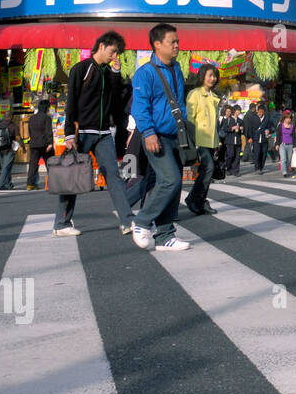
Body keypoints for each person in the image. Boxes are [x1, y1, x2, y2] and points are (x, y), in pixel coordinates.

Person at [54, 32, 138, 238]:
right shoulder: (81, 69)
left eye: (117, 52)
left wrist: (116, 74)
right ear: (101, 46)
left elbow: (116, 100)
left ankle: (127, 221)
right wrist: (68, 135)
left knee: (114, 176)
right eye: (113, 51)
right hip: (81, 132)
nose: (114, 56)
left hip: (103, 134)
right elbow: (71, 103)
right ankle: (61, 223)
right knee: (72, 177)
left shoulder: (108, 72)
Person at [128, 23, 191, 252]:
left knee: (174, 185)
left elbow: (178, 101)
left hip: (176, 135)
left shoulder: (176, 69)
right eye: (172, 42)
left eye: (177, 41)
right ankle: (142, 221)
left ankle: (165, 236)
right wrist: (148, 132)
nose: (177, 45)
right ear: (157, 44)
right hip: (156, 136)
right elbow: (140, 107)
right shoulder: (144, 73)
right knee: (170, 180)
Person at [184, 64, 222, 214]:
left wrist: (218, 141)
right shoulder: (195, 94)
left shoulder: (214, 97)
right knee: (208, 168)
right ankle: (194, 199)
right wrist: (192, 141)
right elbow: (190, 119)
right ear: (202, 76)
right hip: (199, 140)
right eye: (210, 75)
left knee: (207, 171)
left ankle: (199, 201)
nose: (213, 78)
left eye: (214, 76)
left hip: (211, 141)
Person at [24, 99, 55, 191]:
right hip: (44, 144)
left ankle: (30, 184)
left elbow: (30, 131)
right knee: (50, 164)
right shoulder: (47, 118)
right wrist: (50, 143)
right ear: (46, 107)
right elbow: (48, 131)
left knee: (33, 165)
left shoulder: (32, 118)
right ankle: (53, 183)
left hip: (34, 144)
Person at [0, 110, 19, 191]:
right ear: (11, 117)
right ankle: (0, 184)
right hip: (9, 149)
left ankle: (8, 184)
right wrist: (23, 147)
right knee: (6, 168)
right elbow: (18, 137)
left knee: (6, 166)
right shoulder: (13, 126)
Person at [243, 103, 272, 174]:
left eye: (262, 112)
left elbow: (271, 127)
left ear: (264, 112)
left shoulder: (267, 118)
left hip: (264, 138)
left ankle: (261, 167)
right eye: (259, 112)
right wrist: (249, 137)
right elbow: (250, 128)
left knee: (264, 153)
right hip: (256, 139)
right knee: (257, 153)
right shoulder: (253, 118)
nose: (261, 113)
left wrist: (269, 130)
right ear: (257, 111)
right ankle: (257, 168)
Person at [222, 106, 243, 177]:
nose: (238, 112)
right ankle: (228, 168)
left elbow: (244, 129)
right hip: (230, 140)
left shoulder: (240, 120)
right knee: (230, 155)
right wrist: (232, 128)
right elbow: (225, 128)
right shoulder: (228, 119)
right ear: (234, 111)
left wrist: (241, 128)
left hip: (238, 140)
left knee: (237, 156)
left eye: (239, 111)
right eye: (237, 110)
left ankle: (236, 171)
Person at [276, 110, 296, 176]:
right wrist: (277, 144)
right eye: (287, 118)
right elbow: (278, 136)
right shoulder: (280, 126)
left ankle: (287, 169)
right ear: (284, 118)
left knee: (288, 160)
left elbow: (294, 137)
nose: (288, 120)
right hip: (282, 145)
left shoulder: (292, 126)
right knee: (283, 159)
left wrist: (295, 146)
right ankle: (284, 172)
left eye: (290, 118)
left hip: (290, 145)